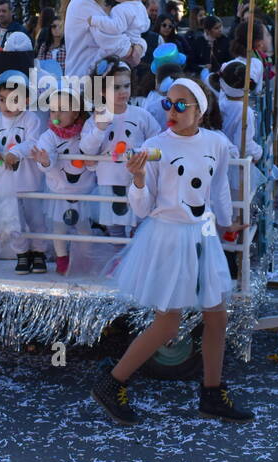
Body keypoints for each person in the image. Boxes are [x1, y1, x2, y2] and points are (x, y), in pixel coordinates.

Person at [90, 77, 251, 425]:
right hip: (167, 236)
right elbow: (143, 207)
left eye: (181, 105)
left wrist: (227, 222)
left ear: (199, 111)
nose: (172, 111)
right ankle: (113, 381)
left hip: (203, 235)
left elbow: (219, 187)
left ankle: (212, 392)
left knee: (217, 317)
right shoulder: (153, 146)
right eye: (168, 103)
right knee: (167, 324)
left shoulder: (217, 143)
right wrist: (136, 179)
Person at [0, 70, 47, 273]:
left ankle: (39, 252)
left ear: (25, 100)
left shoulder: (31, 119)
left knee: (36, 221)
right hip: (6, 184)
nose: (7, 105)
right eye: (2, 99)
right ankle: (22, 254)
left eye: (13, 99)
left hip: (30, 183)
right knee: (12, 220)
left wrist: (16, 151)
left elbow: (33, 141)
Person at [79, 58, 158, 241]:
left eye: (126, 86)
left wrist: (142, 153)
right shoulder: (94, 118)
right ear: (101, 91)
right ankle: (116, 262)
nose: (123, 92)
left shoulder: (141, 115)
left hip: (136, 180)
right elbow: (86, 149)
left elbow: (157, 140)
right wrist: (99, 128)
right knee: (114, 226)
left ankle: (134, 261)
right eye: (116, 87)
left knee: (138, 223)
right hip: (108, 181)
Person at [29, 85, 93, 276]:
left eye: (63, 109)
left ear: (75, 113)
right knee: (59, 228)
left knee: (84, 229)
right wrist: (45, 160)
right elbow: (46, 152)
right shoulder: (48, 136)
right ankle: (62, 258)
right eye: (53, 109)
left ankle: (85, 258)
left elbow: (93, 152)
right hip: (59, 191)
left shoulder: (85, 133)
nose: (57, 113)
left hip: (83, 191)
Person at [86, 0, 150, 56]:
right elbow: (146, 25)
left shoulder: (120, 8)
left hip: (122, 49)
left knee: (99, 57)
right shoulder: (141, 6)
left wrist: (95, 20)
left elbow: (115, 27)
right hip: (136, 43)